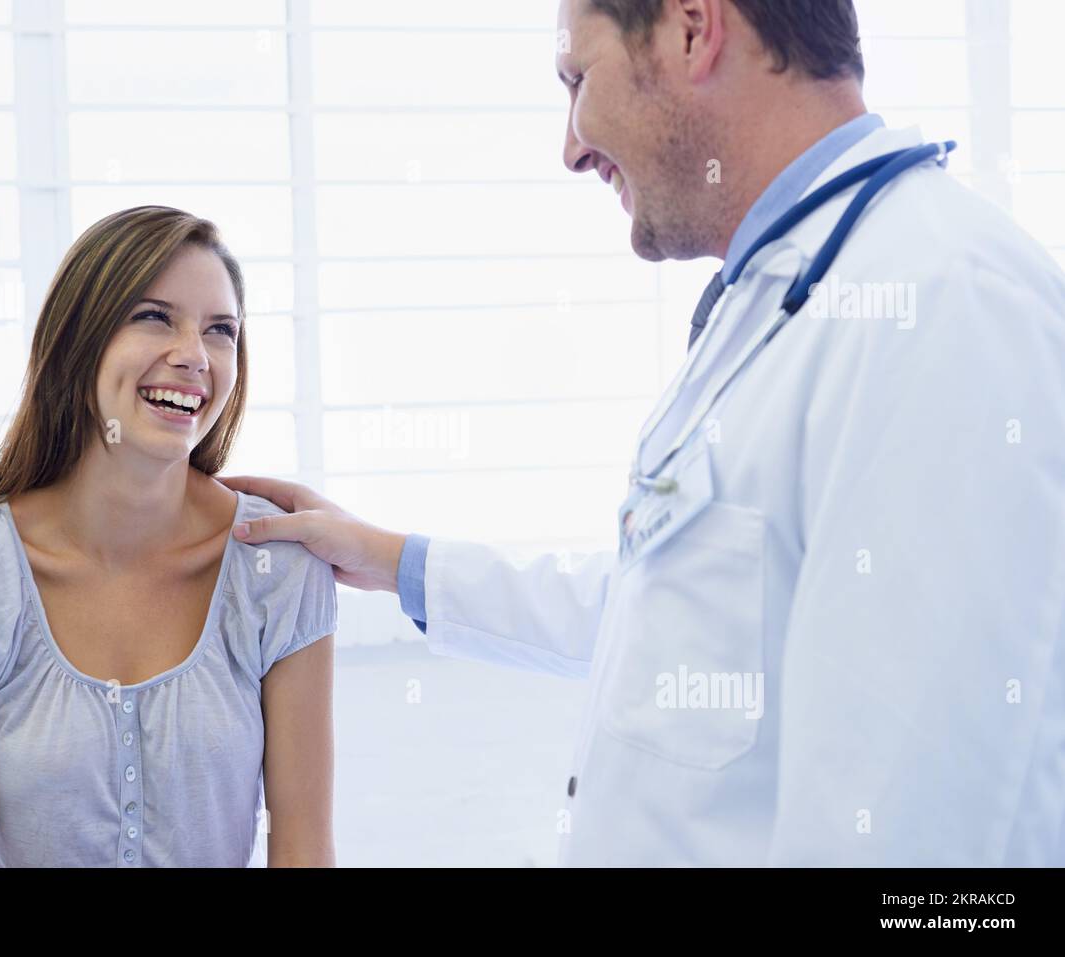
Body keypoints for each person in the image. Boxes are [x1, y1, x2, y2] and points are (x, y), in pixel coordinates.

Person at [223, 0, 1065, 865]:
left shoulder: (939, 301)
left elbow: (925, 847)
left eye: (578, 79)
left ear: (693, 29)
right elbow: (663, 615)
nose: (571, 147)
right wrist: (392, 560)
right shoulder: (783, 296)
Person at [0, 206, 337, 867]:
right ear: (79, 340)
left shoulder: (280, 570)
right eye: (154, 316)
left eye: (221, 331)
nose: (194, 356)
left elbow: (304, 850)